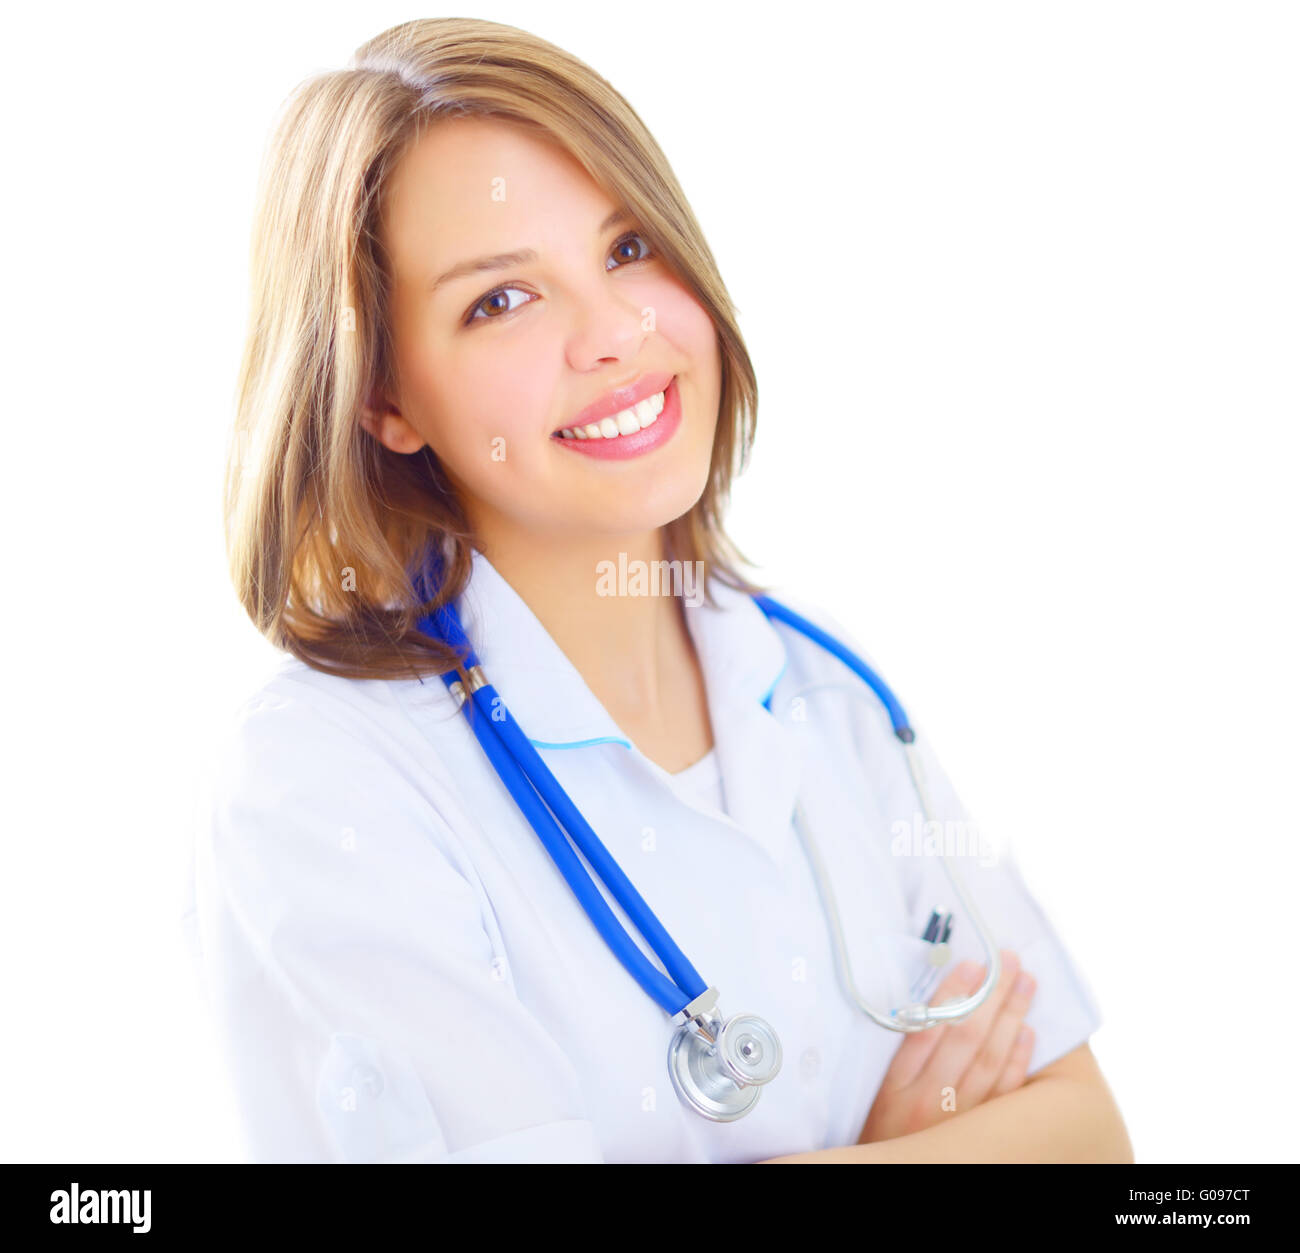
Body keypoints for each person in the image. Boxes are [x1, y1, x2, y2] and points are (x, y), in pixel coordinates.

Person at [188, 16, 1132, 1164]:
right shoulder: (325, 775)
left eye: (628, 248)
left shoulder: (830, 690)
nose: (617, 334)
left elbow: (1092, 1136)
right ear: (385, 399)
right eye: (500, 300)